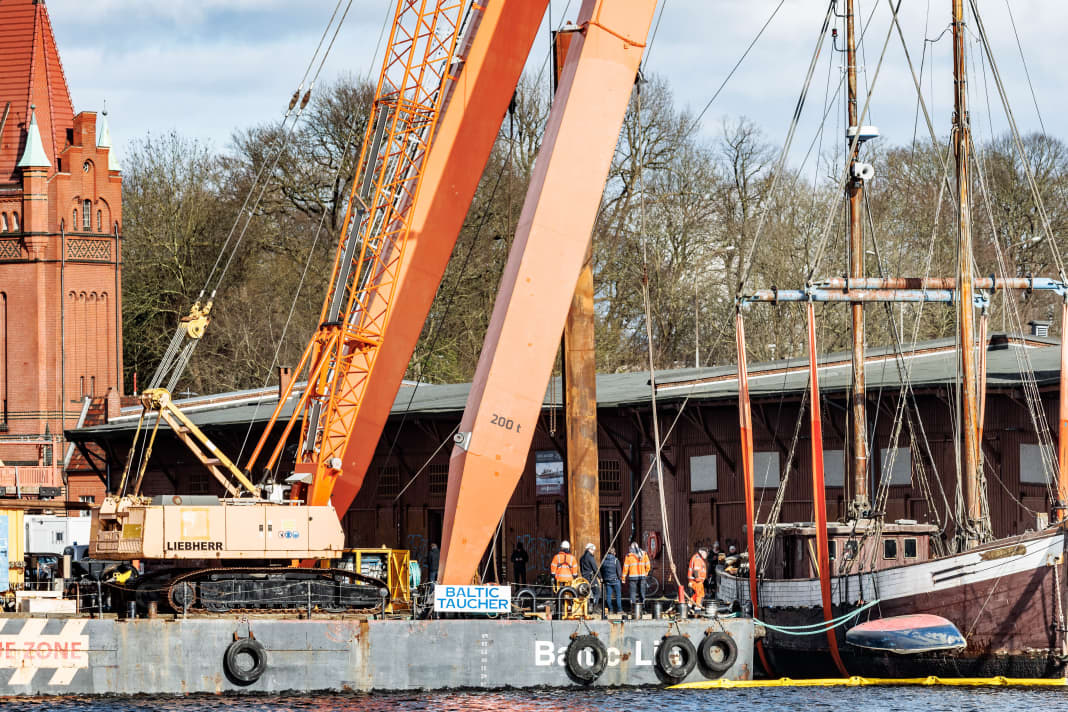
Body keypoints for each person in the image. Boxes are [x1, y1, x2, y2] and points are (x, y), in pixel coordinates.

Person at [621, 542, 650, 614]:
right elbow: (648, 565)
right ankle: (642, 609)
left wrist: (623, 578)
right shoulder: (644, 554)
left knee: (632, 594)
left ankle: (633, 610)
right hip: (642, 577)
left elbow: (625, 568)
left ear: (631, 548)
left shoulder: (628, 556)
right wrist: (645, 573)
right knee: (642, 593)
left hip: (632, 578)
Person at [600, 547, 623, 615]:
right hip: (615, 580)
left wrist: (604, 578)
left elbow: (601, 570)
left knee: (608, 596)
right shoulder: (616, 560)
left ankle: (611, 610)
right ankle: (619, 610)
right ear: (614, 553)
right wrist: (620, 578)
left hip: (607, 581)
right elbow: (619, 572)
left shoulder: (603, 561)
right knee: (618, 595)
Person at [579, 542, 600, 608]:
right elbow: (595, 568)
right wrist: (600, 577)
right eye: (593, 550)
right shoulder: (590, 557)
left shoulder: (581, 558)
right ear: (590, 549)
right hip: (591, 578)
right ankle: (594, 606)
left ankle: (587, 607)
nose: (593, 552)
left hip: (584, 577)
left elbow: (581, 568)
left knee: (587, 592)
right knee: (597, 591)